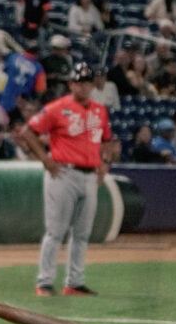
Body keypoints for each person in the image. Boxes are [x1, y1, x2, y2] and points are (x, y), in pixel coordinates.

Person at [16, 64, 118, 297]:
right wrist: (45, 159)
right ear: (71, 84)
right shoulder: (57, 108)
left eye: (87, 82)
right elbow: (27, 131)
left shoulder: (99, 111)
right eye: (79, 82)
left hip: (90, 174)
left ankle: (74, 283)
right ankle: (44, 282)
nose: (84, 87)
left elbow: (105, 139)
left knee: (82, 233)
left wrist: (105, 163)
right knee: (55, 231)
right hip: (63, 173)